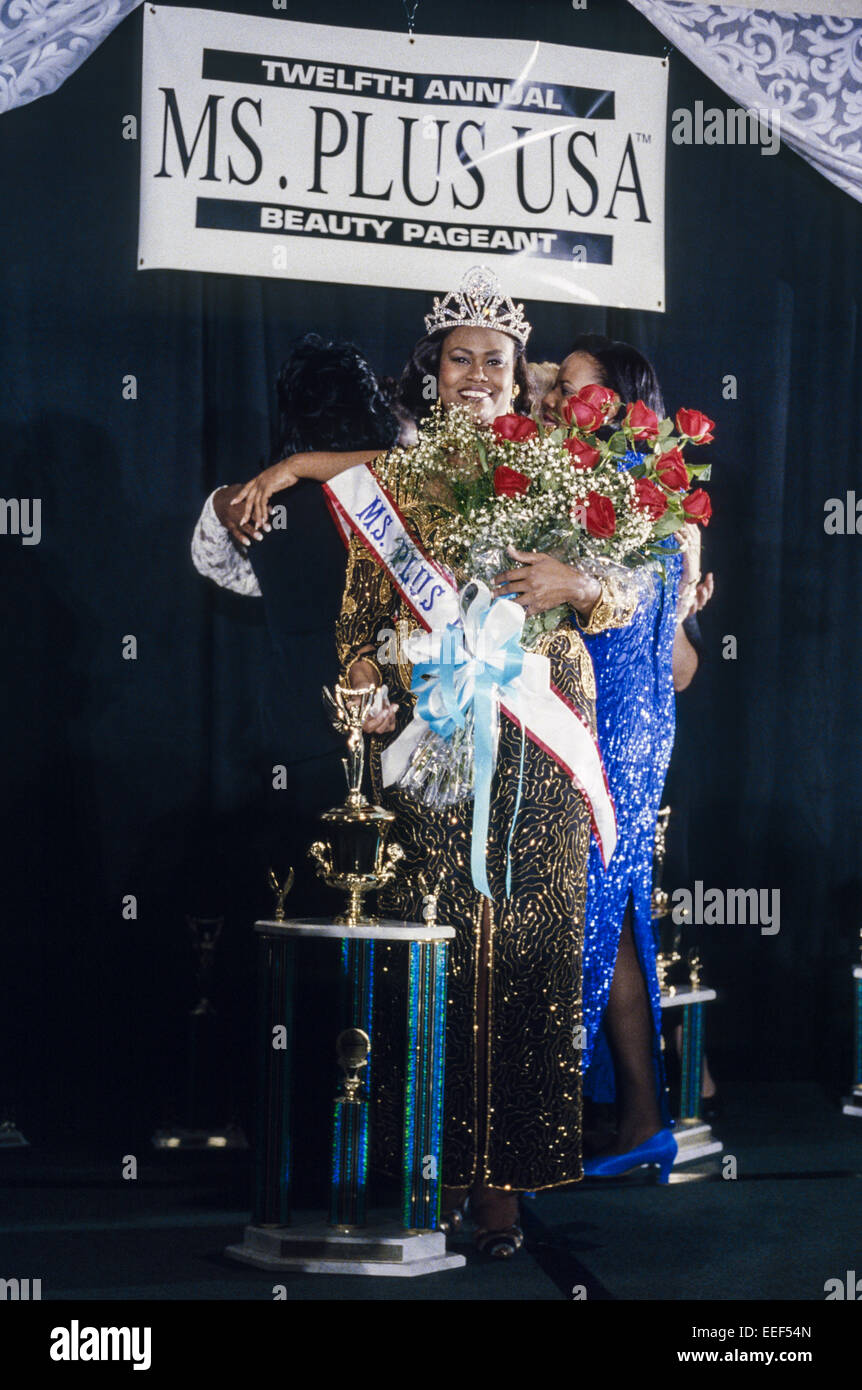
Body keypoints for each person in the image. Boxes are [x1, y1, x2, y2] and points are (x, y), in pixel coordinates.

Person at [265, 269, 624, 1255]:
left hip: (541, 725)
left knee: (535, 951)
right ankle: (433, 1166)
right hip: (436, 731)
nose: (475, 373)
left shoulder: (568, 463)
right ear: (433, 372)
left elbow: (627, 586)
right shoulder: (395, 478)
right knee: (440, 944)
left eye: (493, 361)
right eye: (457, 357)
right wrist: (359, 674)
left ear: (521, 378)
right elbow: (359, 615)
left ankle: (509, 1182)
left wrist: (576, 575)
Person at [493, 333, 710, 1179]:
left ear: (625, 407)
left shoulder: (627, 491)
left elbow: (629, 620)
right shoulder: (652, 489)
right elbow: (683, 666)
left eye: (581, 395)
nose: (561, 407)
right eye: (558, 395)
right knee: (612, 919)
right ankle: (641, 1122)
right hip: (631, 720)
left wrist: (583, 589)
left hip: (606, 728)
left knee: (577, 918)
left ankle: (532, 1131)